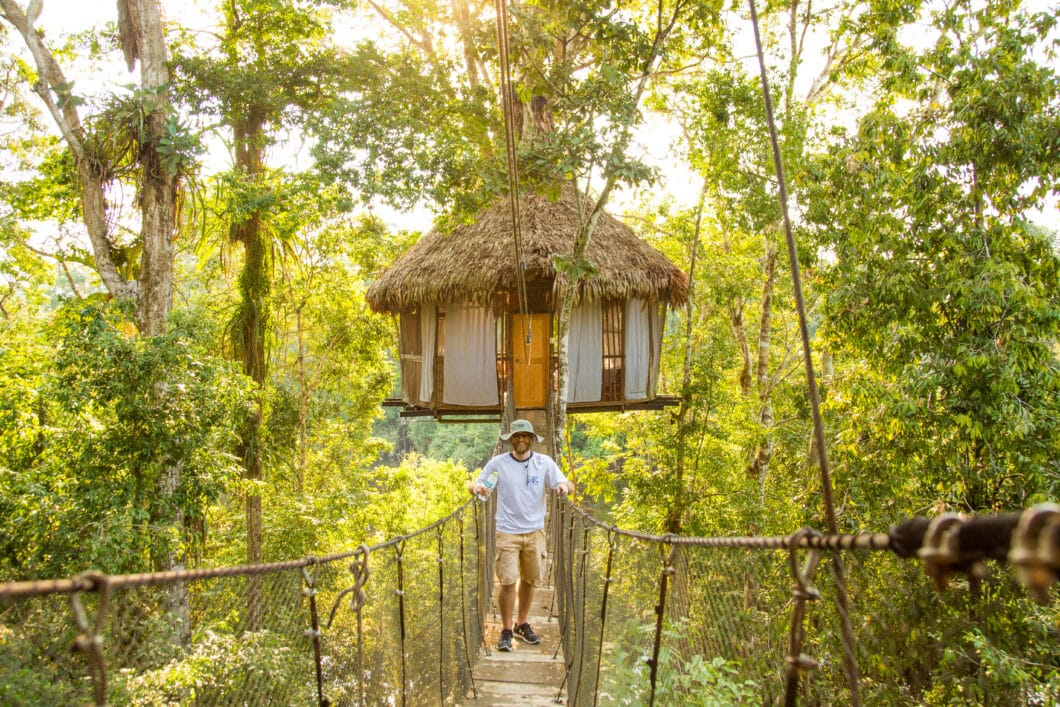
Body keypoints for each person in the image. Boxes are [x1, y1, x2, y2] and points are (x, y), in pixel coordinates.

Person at [469, 419, 573, 652]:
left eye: (525, 435)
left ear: (532, 439)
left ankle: (521, 624)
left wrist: (564, 487)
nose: (521, 439)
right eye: (516, 436)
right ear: (510, 440)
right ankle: (506, 629)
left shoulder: (544, 462)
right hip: (507, 531)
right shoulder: (498, 463)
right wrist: (477, 488)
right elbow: (475, 484)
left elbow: (566, 482)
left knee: (530, 580)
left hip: (535, 531)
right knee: (508, 581)